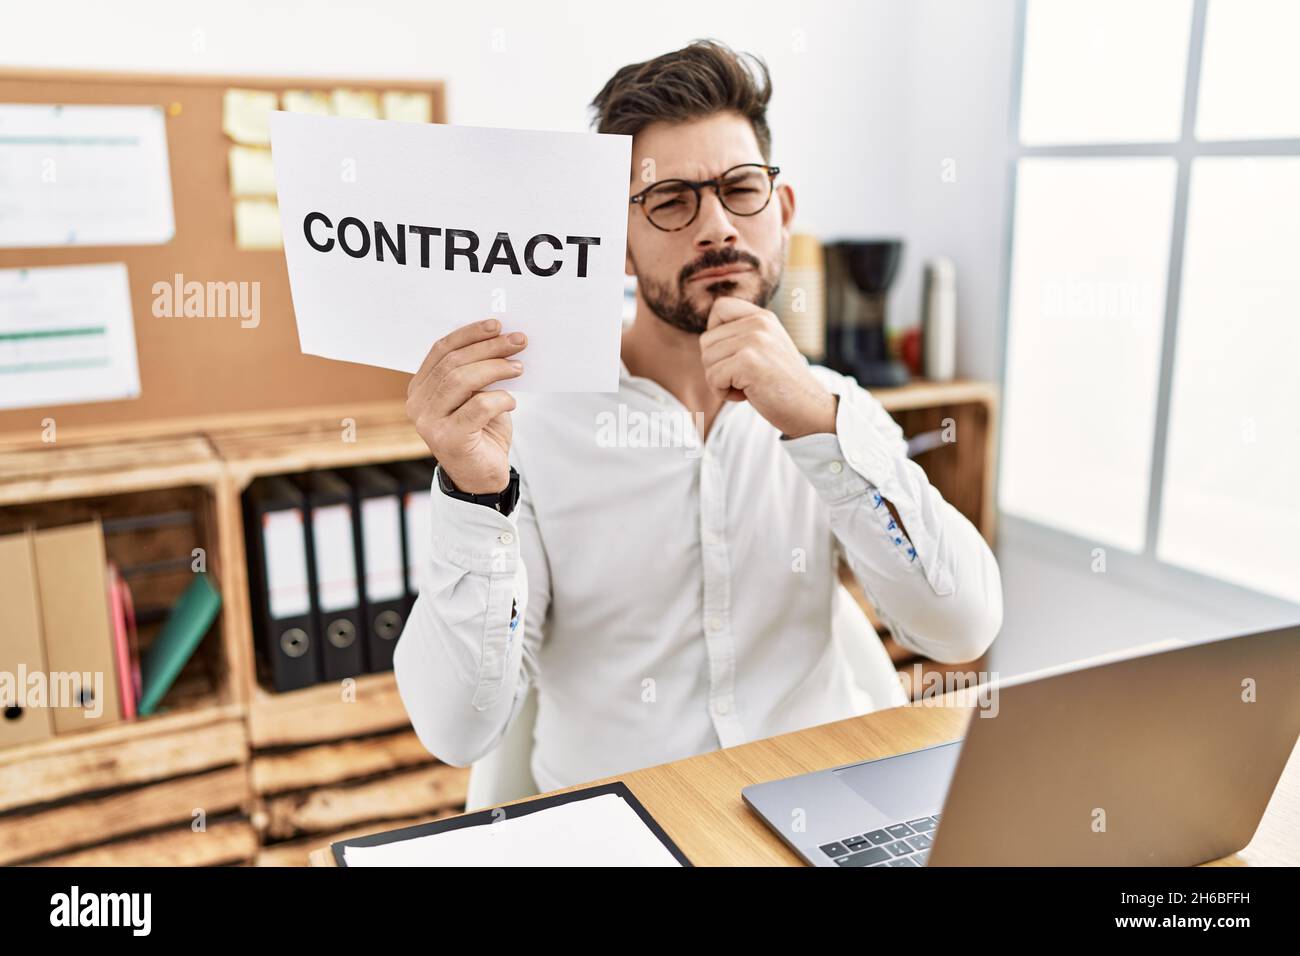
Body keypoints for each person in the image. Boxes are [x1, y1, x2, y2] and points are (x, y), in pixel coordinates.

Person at [395, 40, 1002, 793]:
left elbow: (963, 626)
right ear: (614, 241)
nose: (716, 227)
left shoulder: (833, 406)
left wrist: (818, 424)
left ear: (780, 212)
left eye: (740, 189)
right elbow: (458, 730)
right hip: (626, 834)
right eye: (672, 200)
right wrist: (474, 494)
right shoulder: (525, 435)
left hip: (813, 810)